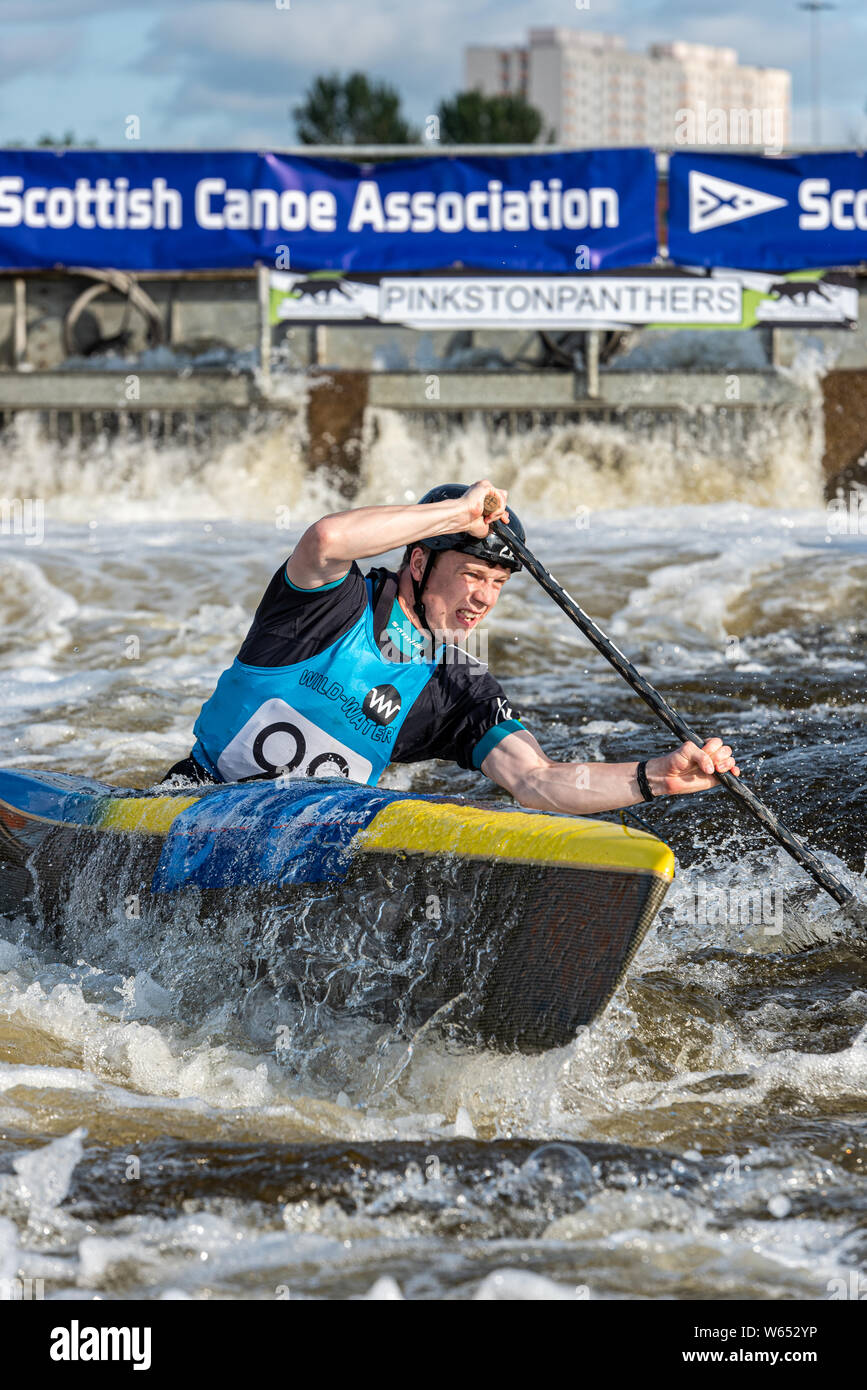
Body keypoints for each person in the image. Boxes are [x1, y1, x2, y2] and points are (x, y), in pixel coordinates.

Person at [162, 480, 740, 810]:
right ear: (418, 561)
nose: (484, 599)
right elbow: (327, 538)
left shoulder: (457, 691)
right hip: (190, 806)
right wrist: (459, 513)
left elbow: (536, 782)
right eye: (471, 575)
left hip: (293, 854)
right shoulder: (327, 606)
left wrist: (654, 777)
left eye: (498, 584)